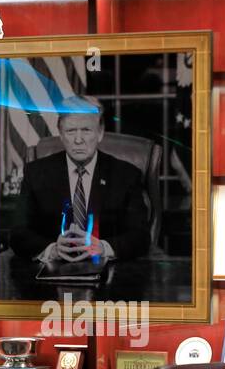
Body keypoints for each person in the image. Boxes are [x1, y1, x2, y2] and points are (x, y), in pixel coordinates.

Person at [9, 96, 150, 265]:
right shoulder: (36, 172)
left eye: (86, 130)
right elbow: (18, 233)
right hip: (52, 272)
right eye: (70, 131)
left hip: (108, 275)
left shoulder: (126, 175)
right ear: (61, 134)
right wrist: (52, 250)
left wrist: (103, 248)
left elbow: (140, 235)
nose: (78, 139)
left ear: (100, 133)